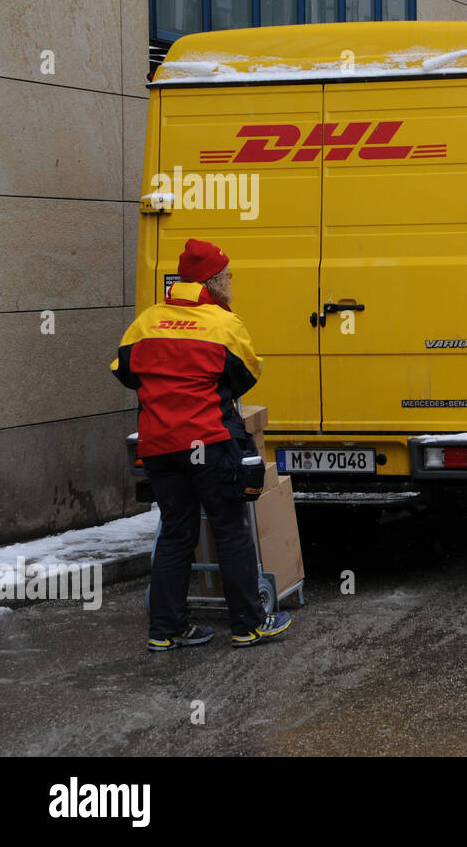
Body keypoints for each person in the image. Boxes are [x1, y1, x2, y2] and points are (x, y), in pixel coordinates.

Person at [111, 239, 292, 651]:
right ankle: (248, 624)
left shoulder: (147, 321)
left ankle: (165, 630)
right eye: (226, 275)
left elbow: (124, 371)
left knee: (176, 534)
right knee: (230, 529)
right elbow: (247, 375)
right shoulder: (223, 324)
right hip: (208, 442)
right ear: (212, 281)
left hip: (158, 445)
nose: (230, 280)